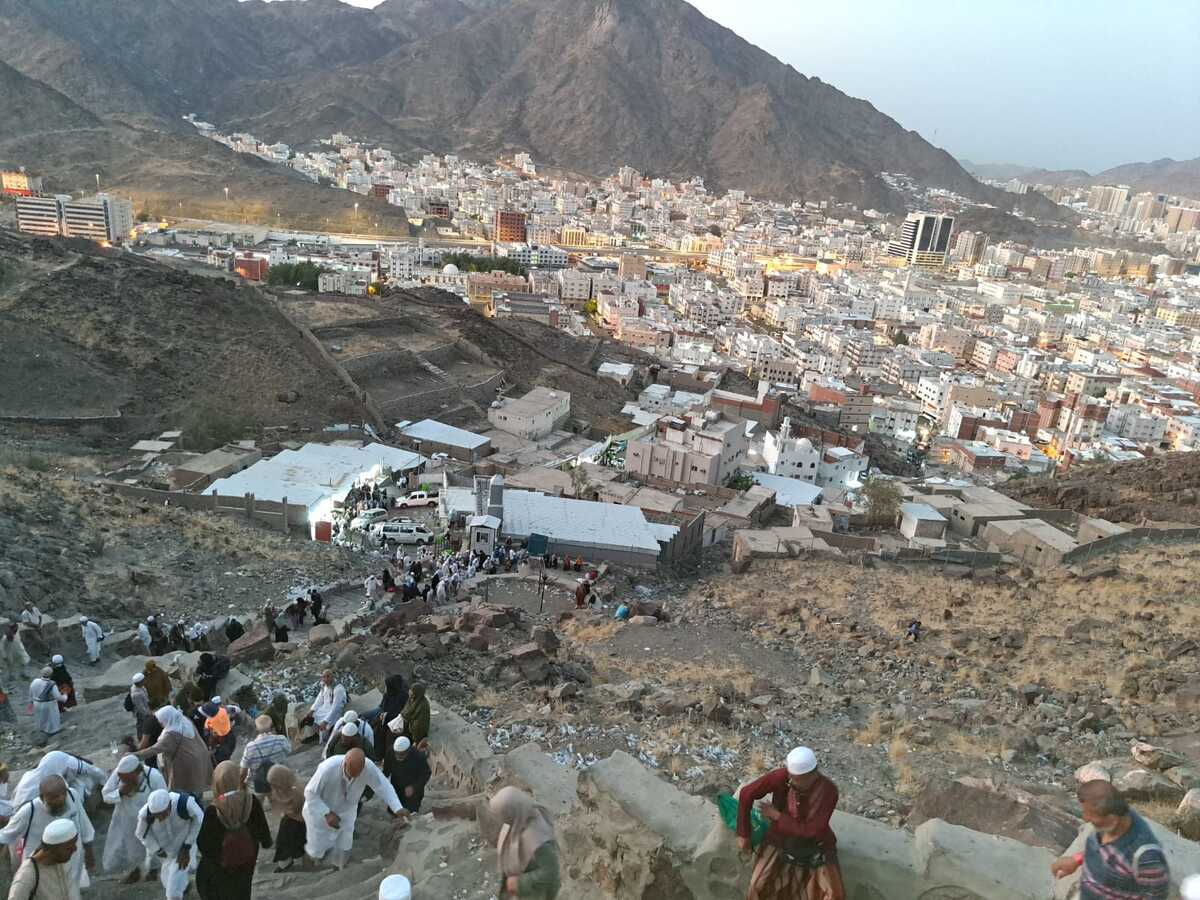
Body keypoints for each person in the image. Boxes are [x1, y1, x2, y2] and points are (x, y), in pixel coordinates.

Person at [737, 746, 844, 900]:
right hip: (780, 840)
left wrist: (778, 816)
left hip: (815, 846)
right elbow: (747, 793)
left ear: (811, 775)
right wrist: (743, 833)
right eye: (790, 776)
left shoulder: (829, 791)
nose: (791, 781)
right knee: (758, 886)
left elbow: (812, 831)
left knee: (833, 894)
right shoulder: (783, 777)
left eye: (797, 779)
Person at [1050, 780, 1170, 899]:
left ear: (1113, 819)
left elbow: (1156, 895)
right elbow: (1105, 850)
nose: (1086, 818)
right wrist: (1076, 860)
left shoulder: (1146, 856)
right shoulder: (1112, 822)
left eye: (1091, 815)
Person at [302, 749, 405, 870]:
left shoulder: (368, 767)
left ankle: (338, 868)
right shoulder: (328, 768)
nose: (352, 778)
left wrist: (397, 807)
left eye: (357, 775)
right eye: (350, 774)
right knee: (316, 847)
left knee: (345, 843)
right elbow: (309, 793)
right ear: (344, 763)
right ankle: (308, 866)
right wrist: (327, 813)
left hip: (347, 811)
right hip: (320, 811)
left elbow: (383, 786)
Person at [0, 774, 95, 889]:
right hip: (43, 866)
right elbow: (5, 835)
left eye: (62, 805)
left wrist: (89, 851)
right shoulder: (29, 811)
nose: (59, 810)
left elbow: (84, 824)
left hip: (72, 858)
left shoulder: (72, 796)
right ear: (41, 797)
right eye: (53, 806)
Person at [195, 762, 272, 900]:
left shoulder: (214, 809)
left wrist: (216, 857)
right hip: (247, 857)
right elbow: (263, 829)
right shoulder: (251, 800)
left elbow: (203, 843)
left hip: (222, 864)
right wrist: (266, 842)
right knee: (243, 890)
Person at [101, 755, 166, 884]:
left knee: (153, 845)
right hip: (126, 818)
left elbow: (164, 798)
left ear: (138, 771)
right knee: (132, 847)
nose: (124, 781)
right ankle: (135, 871)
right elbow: (106, 795)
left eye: (128, 779)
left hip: (150, 819)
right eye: (122, 778)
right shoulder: (119, 774)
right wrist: (119, 792)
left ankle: (153, 871)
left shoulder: (154, 777)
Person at [490, 786, 561, 899]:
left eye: (503, 815)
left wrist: (519, 882)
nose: (501, 819)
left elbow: (551, 872)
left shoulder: (538, 839)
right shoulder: (518, 822)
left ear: (511, 813)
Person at [135, 789, 203, 900]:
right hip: (166, 852)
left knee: (172, 892)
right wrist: (157, 849)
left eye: (162, 814)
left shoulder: (184, 803)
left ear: (170, 805)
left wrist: (187, 846)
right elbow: (141, 833)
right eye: (156, 816)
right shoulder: (145, 814)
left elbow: (199, 820)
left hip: (185, 846)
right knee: (167, 881)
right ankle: (185, 888)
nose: (160, 819)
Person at [135, 707, 214, 796]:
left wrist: (134, 756)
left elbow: (154, 750)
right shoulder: (184, 721)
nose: (160, 723)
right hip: (200, 757)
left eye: (161, 720)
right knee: (197, 786)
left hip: (185, 766)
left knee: (185, 791)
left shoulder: (171, 735)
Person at [8, 818, 81, 900]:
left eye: (74, 844)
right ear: (51, 850)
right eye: (68, 848)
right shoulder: (26, 876)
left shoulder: (62, 858)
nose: (75, 849)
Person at [12, 753, 106, 808]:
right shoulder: (69, 762)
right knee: (82, 784)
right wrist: (106, 784)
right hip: (34, 805)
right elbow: (93, 770)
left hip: (21, 803)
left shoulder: (28, 775)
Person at [266, 765, 306, 873]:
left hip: (298, 821)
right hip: (294, 819)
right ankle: (292, 861)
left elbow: (295, 808)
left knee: (284, 842)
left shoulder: (296, 791)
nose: (273, 787)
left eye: (275, 784)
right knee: (293, 842)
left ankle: (286, 863)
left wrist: (285, 811)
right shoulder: (288, 783)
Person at [240, 716, 293, 794]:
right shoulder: (281, 739)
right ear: (272, 726)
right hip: (282, 780)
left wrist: (241, 785)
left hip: (260, 785)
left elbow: (243, 771)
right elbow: (289, 751)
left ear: (257, 729)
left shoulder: (250, 747)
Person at [383, 737, 431, 814]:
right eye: (397, 754)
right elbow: (386, 771)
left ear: (408, 751)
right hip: (397, 786)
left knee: (410, 815)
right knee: (394, 811)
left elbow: (426, 774)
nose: (398, 757)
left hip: (413, 792)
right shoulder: (390, 752)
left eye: (401, 755)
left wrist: (414, 787)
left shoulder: (418, 756)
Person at [300, 671, 347, 746]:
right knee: (312, 717)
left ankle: (324, 742)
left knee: (325, 725)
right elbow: (319, 699)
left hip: (335, 711)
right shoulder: (324, 686)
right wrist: (312, 710)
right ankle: (316, 735)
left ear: (332, 677)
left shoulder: (338, 689)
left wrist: (325, 721)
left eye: (328, 676)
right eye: (324, 677)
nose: (326, 679)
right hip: (325, 708)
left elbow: (336, 707)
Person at [29, 667, 66, 739]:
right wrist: (64, 697)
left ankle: (42, 733)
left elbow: (30, 693)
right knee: (51, 720)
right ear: (51, 675)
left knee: (41, 719)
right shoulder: (52, 684)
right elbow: (57, 697)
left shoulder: (35, 681)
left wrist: (31, 702)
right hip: (48, 704)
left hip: (36, 703)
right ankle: (53, 734)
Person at [200, 700, 237, 766]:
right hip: (230, 738)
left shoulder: (212, 721)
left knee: (222, 762)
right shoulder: (223, 711)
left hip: (222, 744)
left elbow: (208, 734)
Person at [401, 683, 431, 748]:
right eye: (410, 690)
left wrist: (416, 740)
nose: (409, 692)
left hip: (416, 733)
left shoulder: (423, 706)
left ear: (416, 693)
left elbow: (419, 726)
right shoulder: (411, 699)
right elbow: (405, 711)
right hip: (408, 725)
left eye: (412, 691)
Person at [125, 674, 152, 739]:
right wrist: (148, 713)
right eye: (143, 680)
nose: (145, 681)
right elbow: (140, 707)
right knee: (142, 724)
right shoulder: (136, 694)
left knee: (142, 724)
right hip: (140, 713)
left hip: (145, 708)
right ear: (140, 682)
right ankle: (141, 737)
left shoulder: (140, 687)